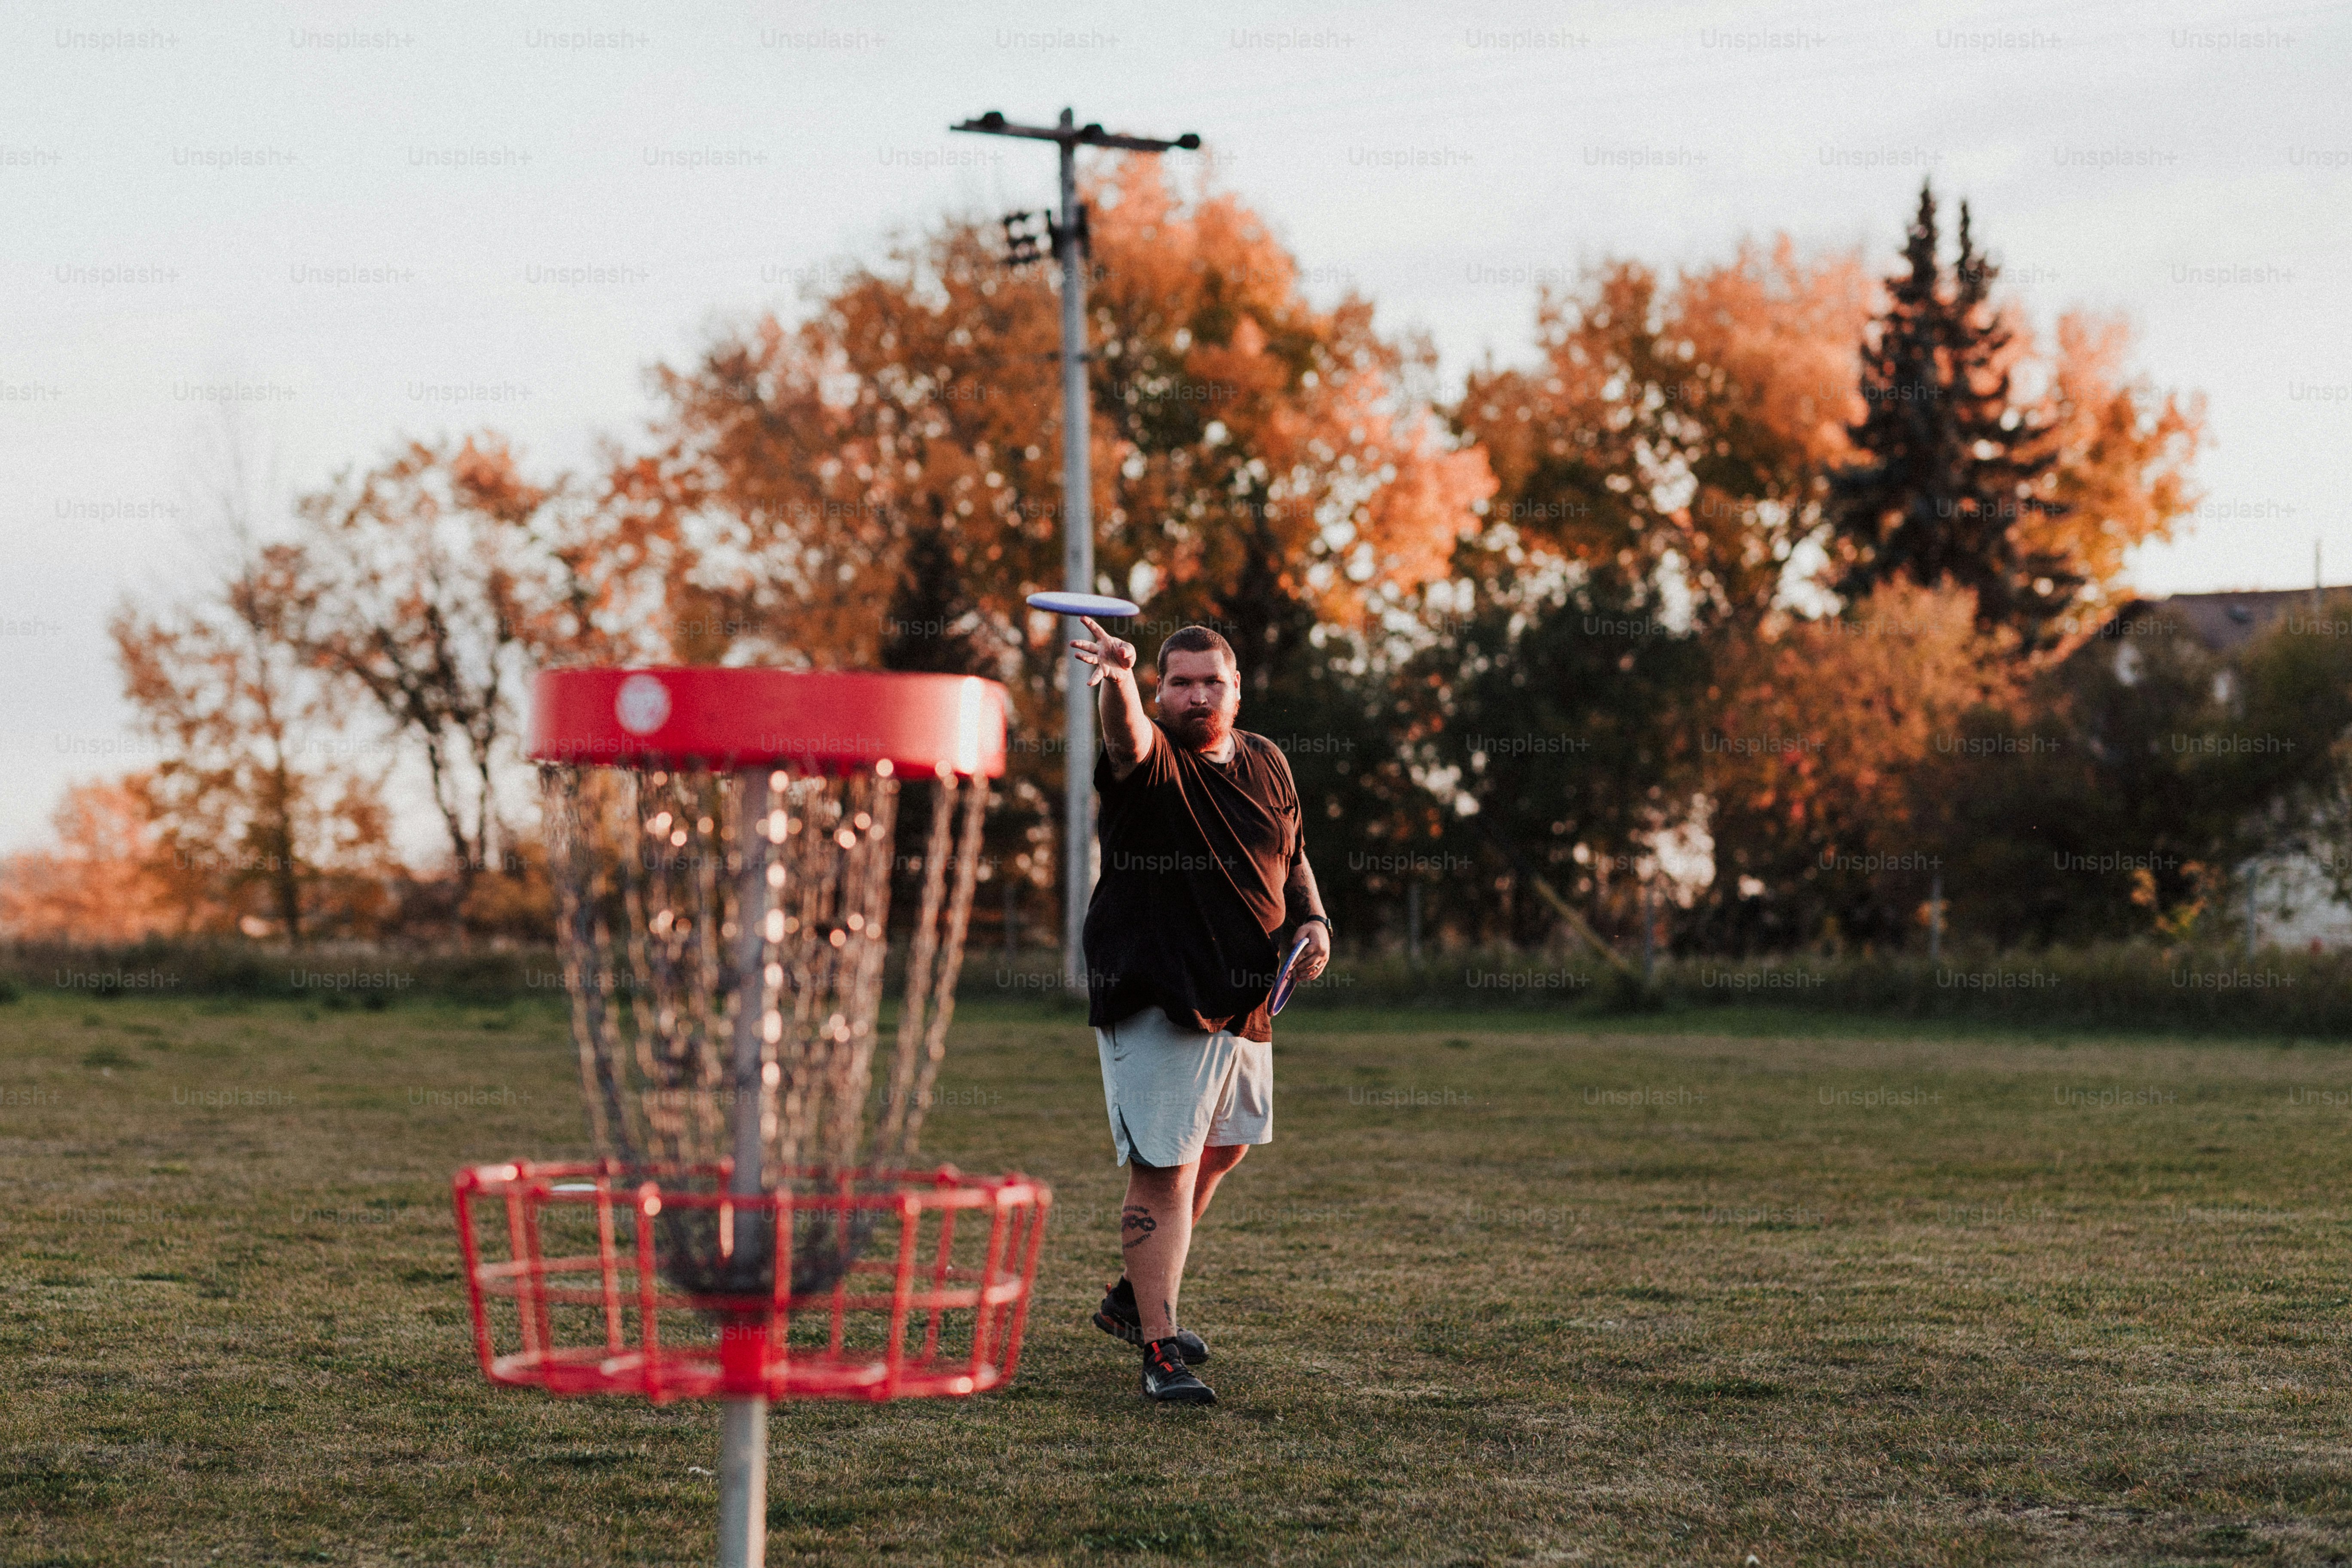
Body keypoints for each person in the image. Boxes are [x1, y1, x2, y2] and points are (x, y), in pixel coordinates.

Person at [1068, 618, 1332, 1405]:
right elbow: (1125, 743)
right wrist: (1115, 679)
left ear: (1236, 688)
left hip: (1244, 994)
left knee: (1226, 1148)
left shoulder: (1267, 761)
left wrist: (1313, 921)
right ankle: (1159, 1352)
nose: (1196, 695)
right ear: (1158, 691)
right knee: (1163, 1173)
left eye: (1210, 681)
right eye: (1178, 682)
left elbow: (1296, 853)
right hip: (1158, 991)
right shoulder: (1149, 763)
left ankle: (1129, 1300)